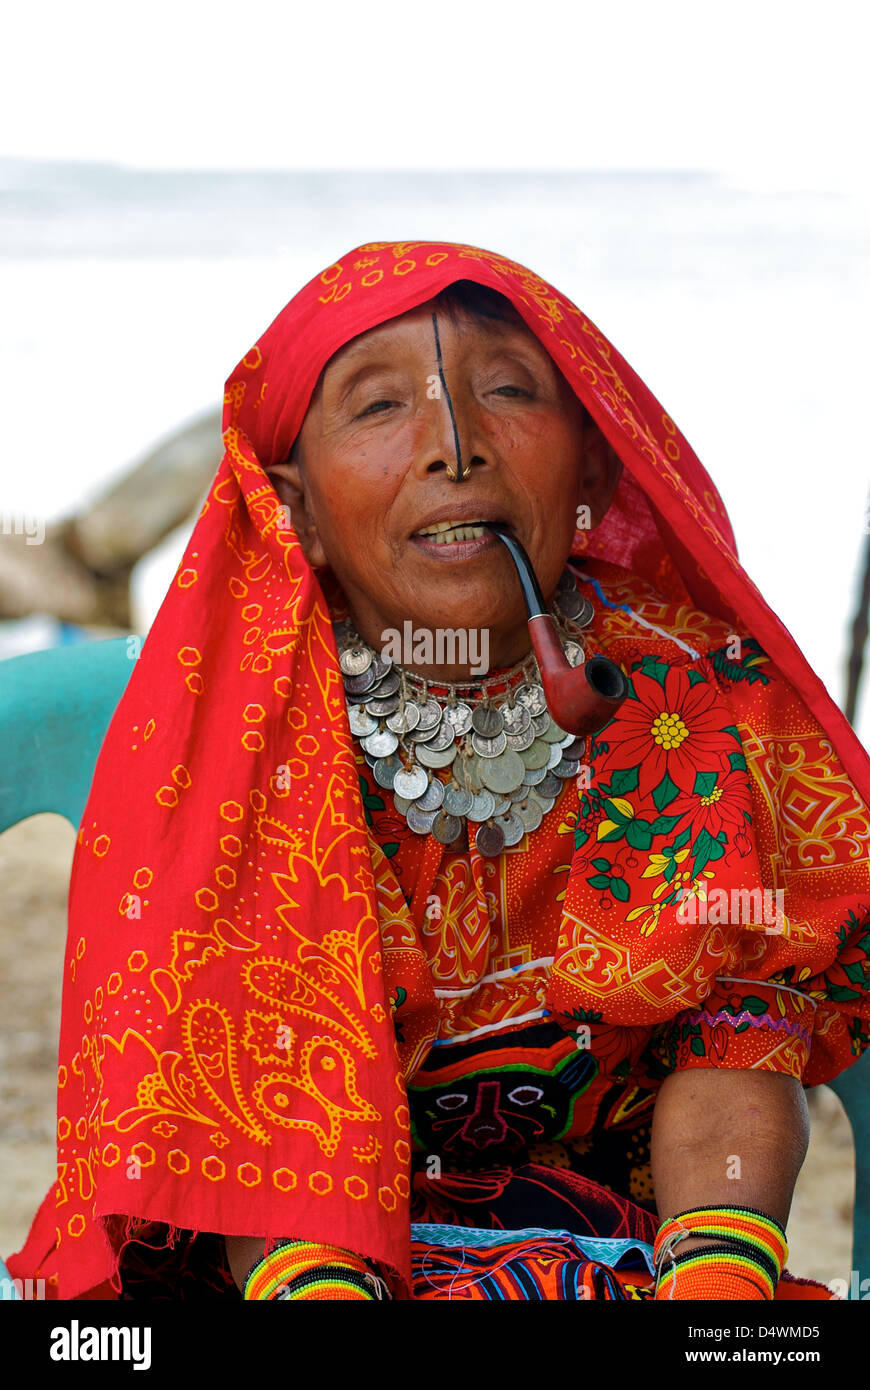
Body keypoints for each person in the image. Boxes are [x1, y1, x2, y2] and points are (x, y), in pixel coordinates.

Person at [8, 239, 870, 1301]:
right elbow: (249, 1106)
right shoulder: (237, 734)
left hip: (637, 1250)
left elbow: (739, 1031)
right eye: (378, 408)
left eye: (509, 390)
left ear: (594, 466)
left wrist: (719, 1290)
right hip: (272, 1257)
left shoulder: (706, 696)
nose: (454, 446)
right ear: (300, 509)